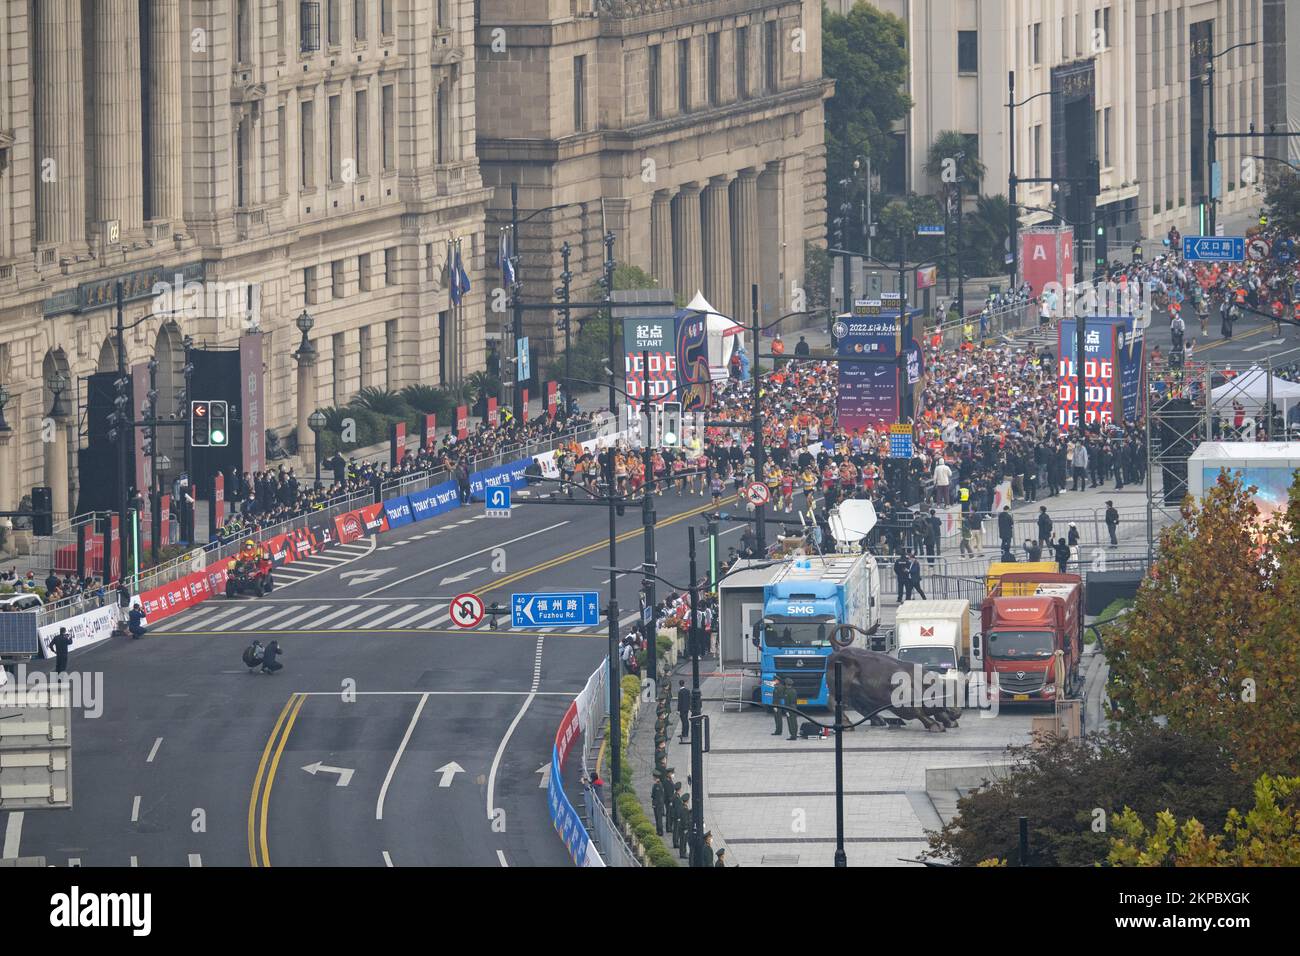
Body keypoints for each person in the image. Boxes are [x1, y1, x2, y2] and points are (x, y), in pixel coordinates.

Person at [676, 679, 690, 743]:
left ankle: (684, 733)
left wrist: (678, 710)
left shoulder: (680, 692)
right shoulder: (687, 691)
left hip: (682, 709)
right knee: (686, 720)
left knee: (683, 721)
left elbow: (680, 702)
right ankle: (686, 733)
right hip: (686, 708)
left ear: (679, 684)